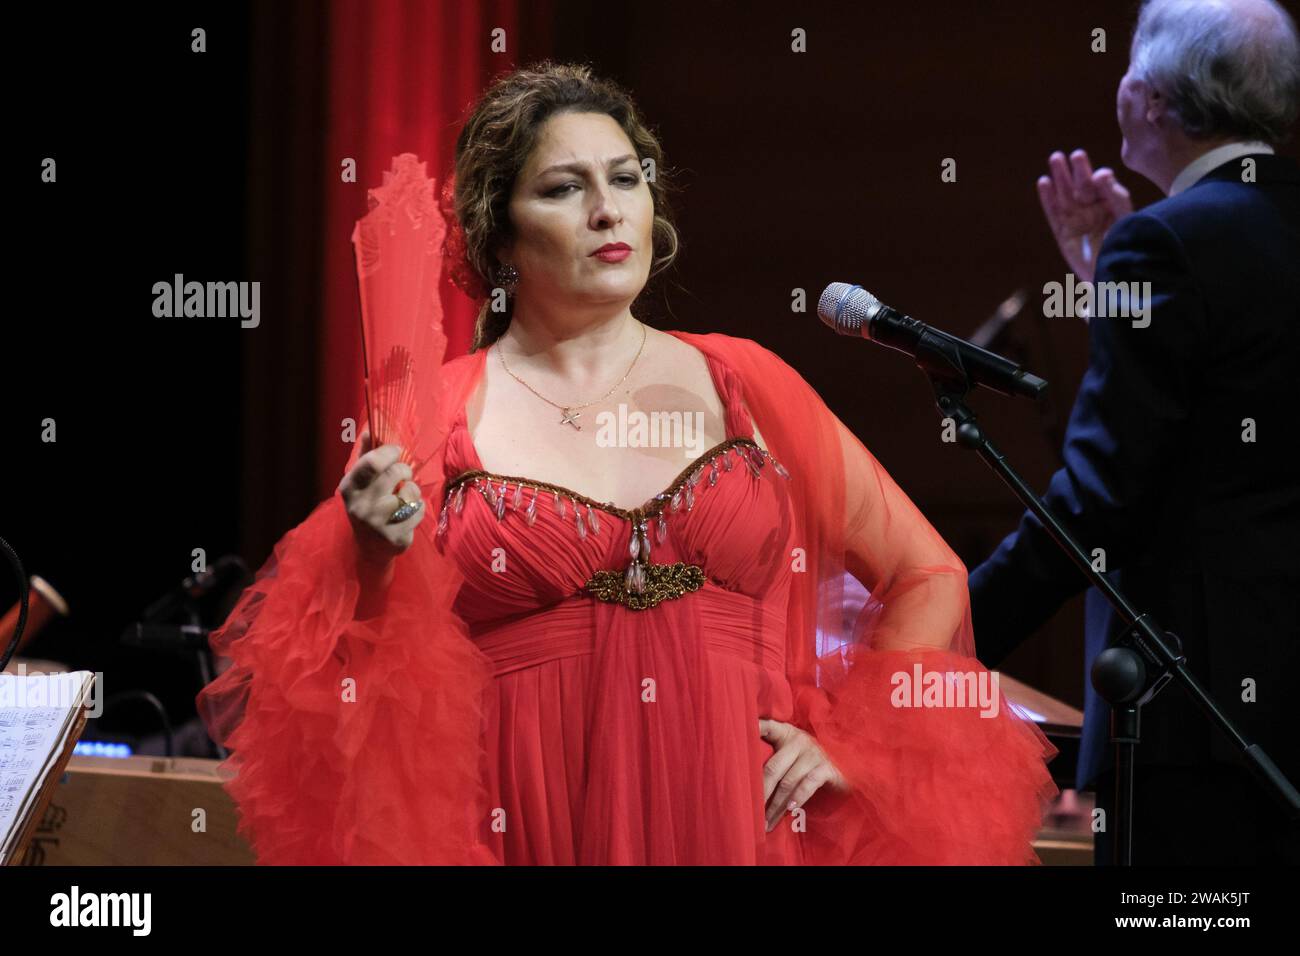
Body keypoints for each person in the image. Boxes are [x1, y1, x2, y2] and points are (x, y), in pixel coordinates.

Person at [197, 61, 1057, 865]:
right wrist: (373, 561)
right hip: (526, 821)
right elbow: (345, 688)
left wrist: (854, 744)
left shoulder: (747, 383)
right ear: (500, 237)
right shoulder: (432, 415)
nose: (608, 210)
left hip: (741, 822)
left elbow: (927, 575)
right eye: (565, 189)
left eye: (626, 177)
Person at [969, 0, 1300, 864]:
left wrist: (954, 627)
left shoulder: (1164, 248)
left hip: (1196, 718)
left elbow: (1099, 499)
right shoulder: (1196, 242)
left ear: (1149, 98)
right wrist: (1107, 284)